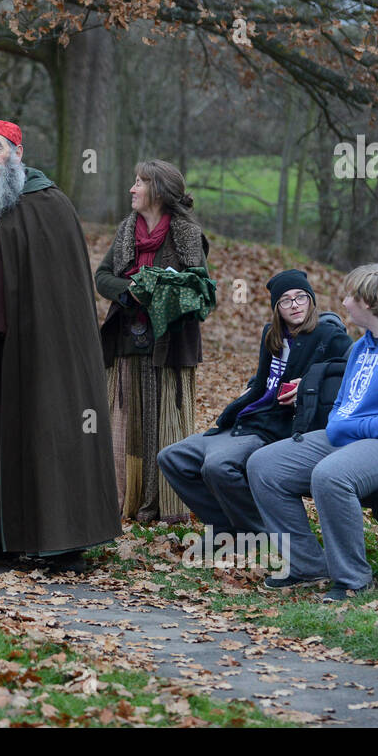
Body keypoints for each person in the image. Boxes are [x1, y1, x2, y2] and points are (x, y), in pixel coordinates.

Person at [0, 119, 120, 569]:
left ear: (17, 151)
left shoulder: (48, 205)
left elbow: (63, 295)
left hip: (40, 351)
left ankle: (60, 541)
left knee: (47, 437)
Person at [246, 264, 378, 603]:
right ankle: (307, 564)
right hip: (362, 440)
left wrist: (346, 426)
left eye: (350, 297)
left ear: (368, 303)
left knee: (331, 475)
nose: (343, 303)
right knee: (264, 465)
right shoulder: (362, 347)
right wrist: (344, 425)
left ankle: (353, 579)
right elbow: (344, 404)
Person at [158, 269, 352, 556]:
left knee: (217, 465)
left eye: (301, 297)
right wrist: (247, 396)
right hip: (248, 419)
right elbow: (262, 381)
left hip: (276, 428)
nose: (295, 305)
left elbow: (350, 371)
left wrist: (310, 384)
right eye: (285, 301)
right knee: (172, 457)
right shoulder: (271, 334)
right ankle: (226, 528)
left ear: (311, 300)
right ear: (276, 308)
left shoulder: (329, 336)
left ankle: (260, 534)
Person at [95, 160, 209, 522]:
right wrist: (131, 290)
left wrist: (161, 291)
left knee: (166, 424)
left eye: (140, 182)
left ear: (158, 191)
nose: (132, 188)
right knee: (126, 426)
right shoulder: (126, 229)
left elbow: (201, 290)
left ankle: (166, 507)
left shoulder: (188, 234)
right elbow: (101, 276)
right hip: (127, 339)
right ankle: (128, 503)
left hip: (171, 344)